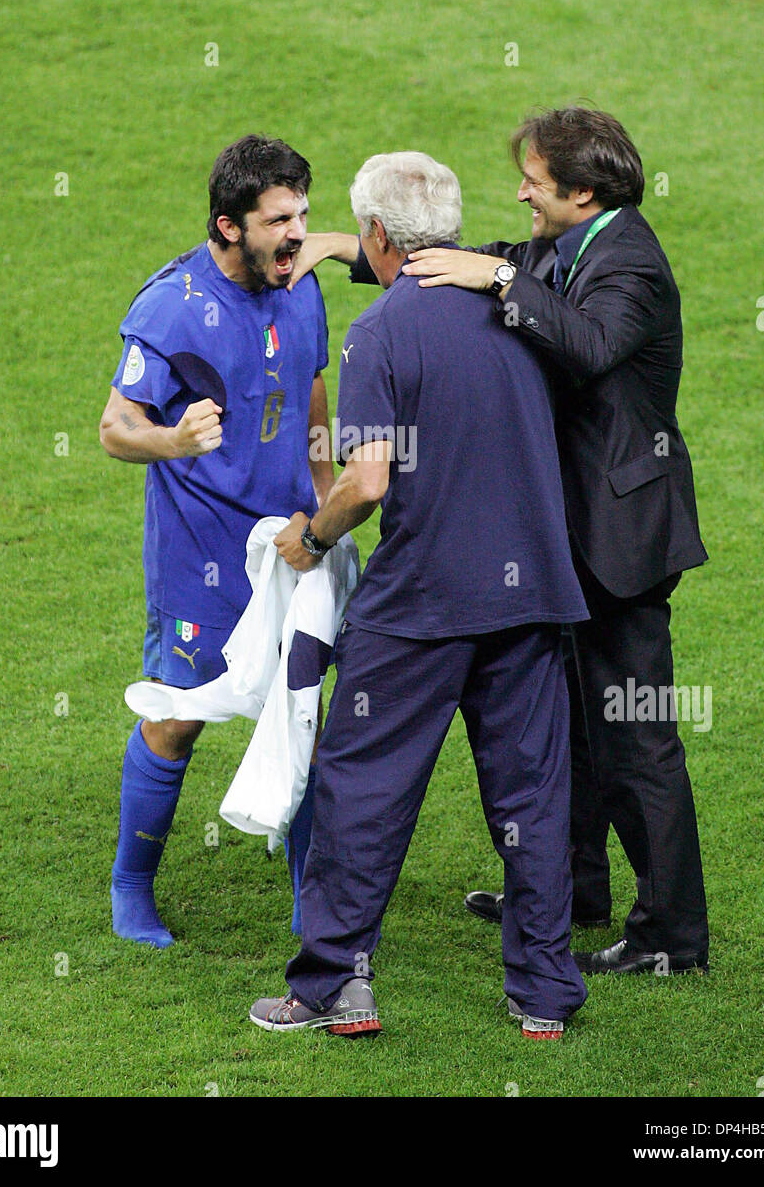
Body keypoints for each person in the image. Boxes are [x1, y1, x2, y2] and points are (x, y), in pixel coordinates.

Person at [289, 106, 709, 977]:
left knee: (635, 740)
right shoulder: (568, 242)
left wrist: (501, 285)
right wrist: (350, 247)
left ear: (582, 191)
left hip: (620, 541)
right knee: (571, 731)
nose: (519, 189)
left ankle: (672, 933)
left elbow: (586, 345)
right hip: (561, 535)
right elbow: (465, 270)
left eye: (533, 180)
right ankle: (571, 893)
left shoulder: (629, 260)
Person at [249, 152, 589, 1040]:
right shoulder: (519, 308)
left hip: (422, 604)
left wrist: (310, 539)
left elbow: (366, 484)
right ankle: (543, 996)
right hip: (533, 594)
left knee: (363, 787)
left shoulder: (380, 334)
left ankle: (331, 987)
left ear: (373, 236)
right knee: (531, 799)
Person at [98, 134, 334, 948]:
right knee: (178, 720)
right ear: (229, 226)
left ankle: (316, 910)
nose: (298, 233)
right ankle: (132, 886)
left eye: (303, 212)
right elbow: (115, 426)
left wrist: (328, 503)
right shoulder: (171, 305)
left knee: (300, 717)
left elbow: (310, 397)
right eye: (279, 219)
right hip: (198, 556)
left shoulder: (299, 284)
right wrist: (173, 441)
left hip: (295, 548)